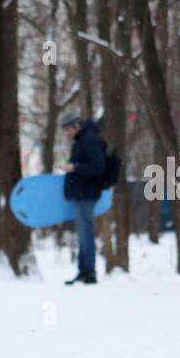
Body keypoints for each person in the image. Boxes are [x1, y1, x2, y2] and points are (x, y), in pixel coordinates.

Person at [60, 112, 106, 285]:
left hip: (86, 194)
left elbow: (98, 166)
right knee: (83, 234)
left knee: (85, 234)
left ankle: (89, 272)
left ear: (76, 125)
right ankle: (84, 271)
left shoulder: (89, 140)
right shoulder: (83, 140)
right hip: (82, 194)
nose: (67, 133)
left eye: (67, 129)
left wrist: (75, 167)